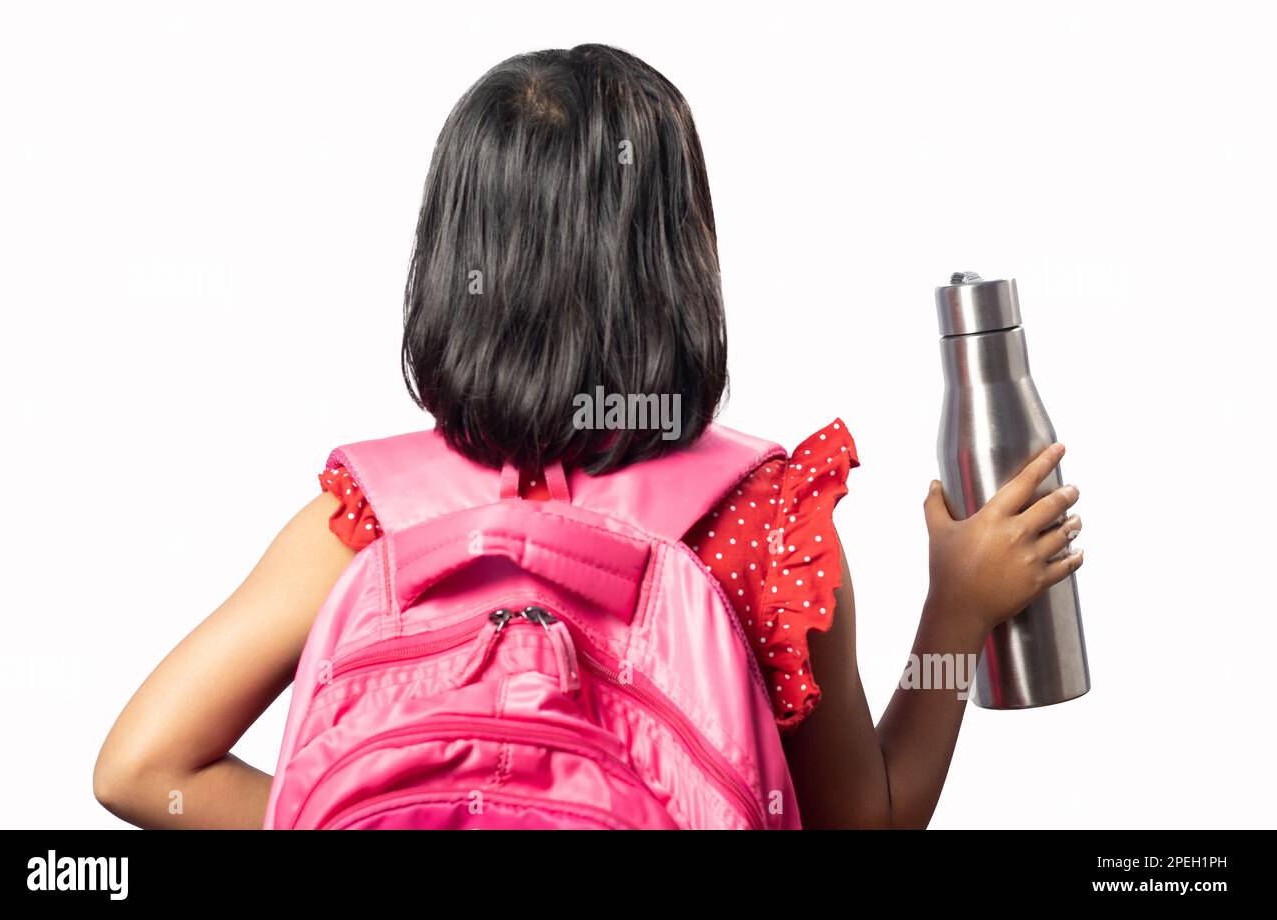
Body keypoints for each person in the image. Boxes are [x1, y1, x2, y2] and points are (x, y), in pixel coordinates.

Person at [93, 43, 1084, 829]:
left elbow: (143, 767)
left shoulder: (368, 524)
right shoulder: (761, 526)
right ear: (675, 262)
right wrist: (955, 612)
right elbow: (863, 819)